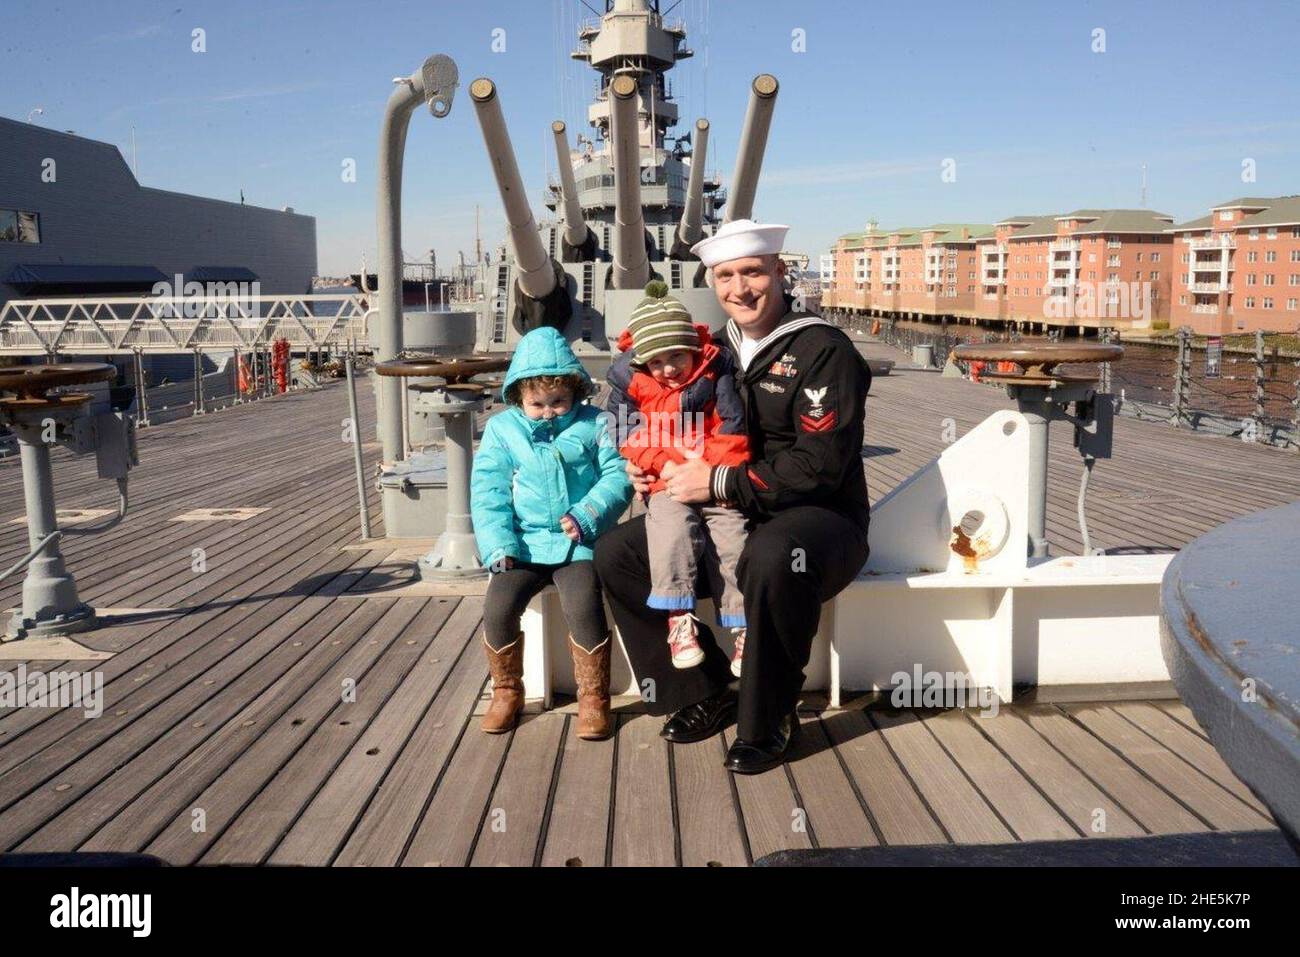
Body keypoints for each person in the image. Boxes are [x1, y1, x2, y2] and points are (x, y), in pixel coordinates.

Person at [594, 219, 872, 774]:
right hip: (726, 508)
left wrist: (718, 482)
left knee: (773, 555)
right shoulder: (710, 353)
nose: (740, 289)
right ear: (713, 282)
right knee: (617, 554)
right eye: (726, 276)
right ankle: (705, 689)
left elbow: (820, 466)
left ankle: (769, 716)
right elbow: (646, 411)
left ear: (779, 271)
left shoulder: (821, 350)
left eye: (752, 272)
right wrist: (644, 467)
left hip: (817, 517)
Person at [470, 327, 633, 740]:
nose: (548, 412)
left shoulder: (597, 424)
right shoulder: (503, 430)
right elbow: (488, 492)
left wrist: (588, 514)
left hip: (579, 542)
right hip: (522, 544)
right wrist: (499, 545)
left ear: (575, 391)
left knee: (583, 604)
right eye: (537, 404)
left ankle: (593, 697)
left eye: (558, 402)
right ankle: (507, 690)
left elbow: (617, 476)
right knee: (498, 607)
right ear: (518, 397)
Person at [604, 280, 750, 674]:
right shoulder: (629, 382)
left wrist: (715, 474)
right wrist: (662, 465)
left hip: (713, 474)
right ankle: (678, 616)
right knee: (671, 532)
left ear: (692, 349)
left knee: (733, 538)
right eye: (656, 362)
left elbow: (731, 425)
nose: (668, 369)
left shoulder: (714, 370)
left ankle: (742, 625)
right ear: (641, 362)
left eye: (676, 356)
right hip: (665, 476)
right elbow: (625, 431)